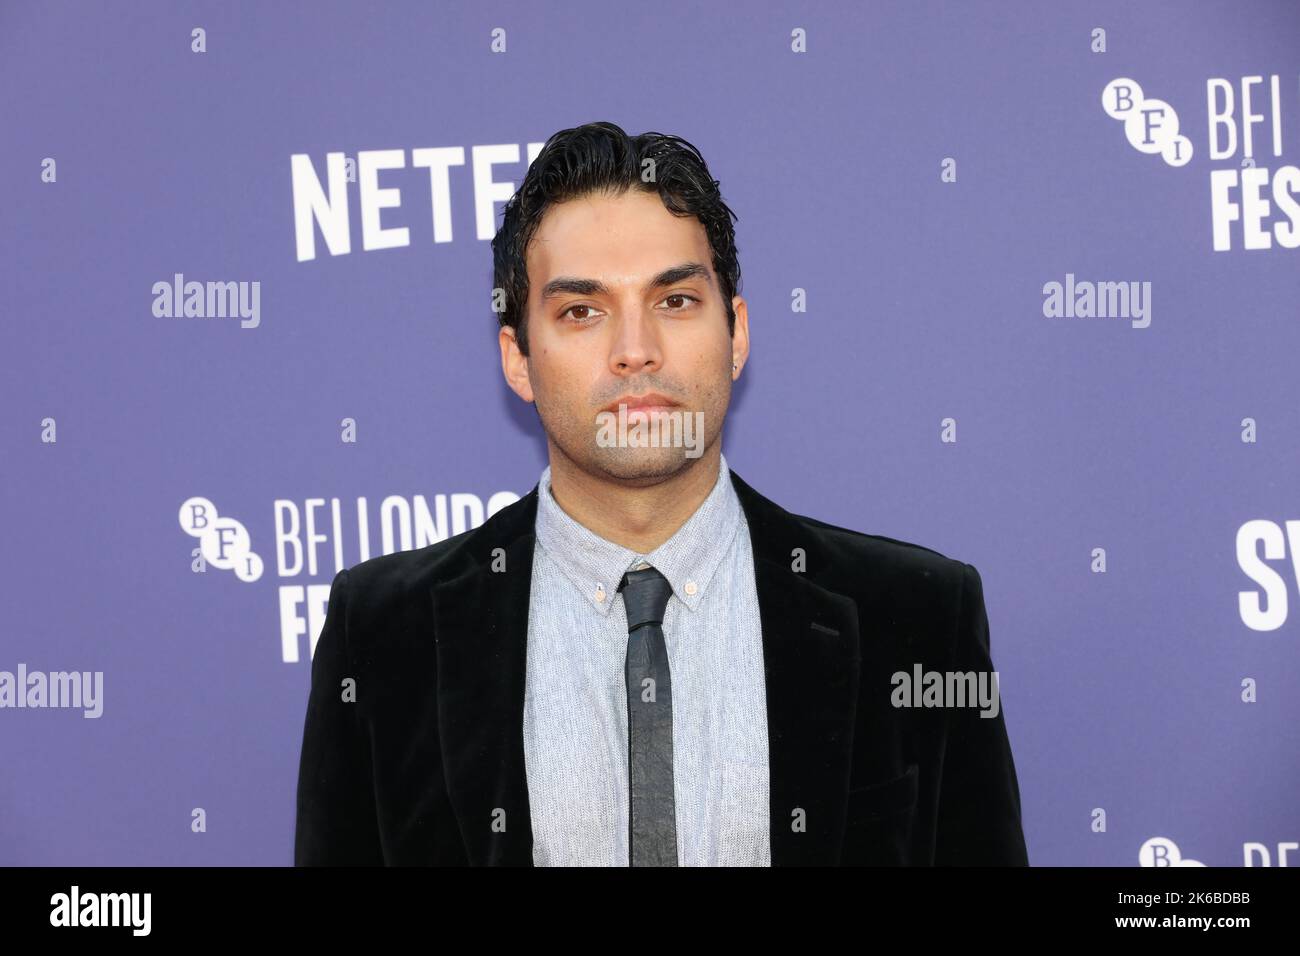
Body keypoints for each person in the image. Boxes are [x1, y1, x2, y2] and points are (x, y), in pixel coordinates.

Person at [294, 121, 1028, 866]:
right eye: (582, 310)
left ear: (735, 333)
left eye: (675, 301)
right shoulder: (385, 633)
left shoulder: (919, 616)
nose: (635, 349)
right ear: (517, 359)